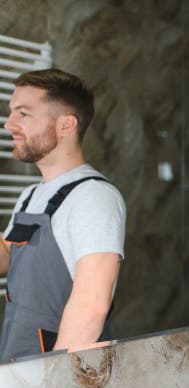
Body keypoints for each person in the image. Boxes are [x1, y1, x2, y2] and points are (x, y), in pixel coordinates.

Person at [0, 69, 125, 362]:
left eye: (24, 114)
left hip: (56, 378)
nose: (9, 124)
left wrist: (52, 385)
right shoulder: (32, 194)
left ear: (66, 124)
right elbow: (7, 255)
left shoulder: (93, 197)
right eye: (11, 113)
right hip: (19, 361)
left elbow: (92, 305)